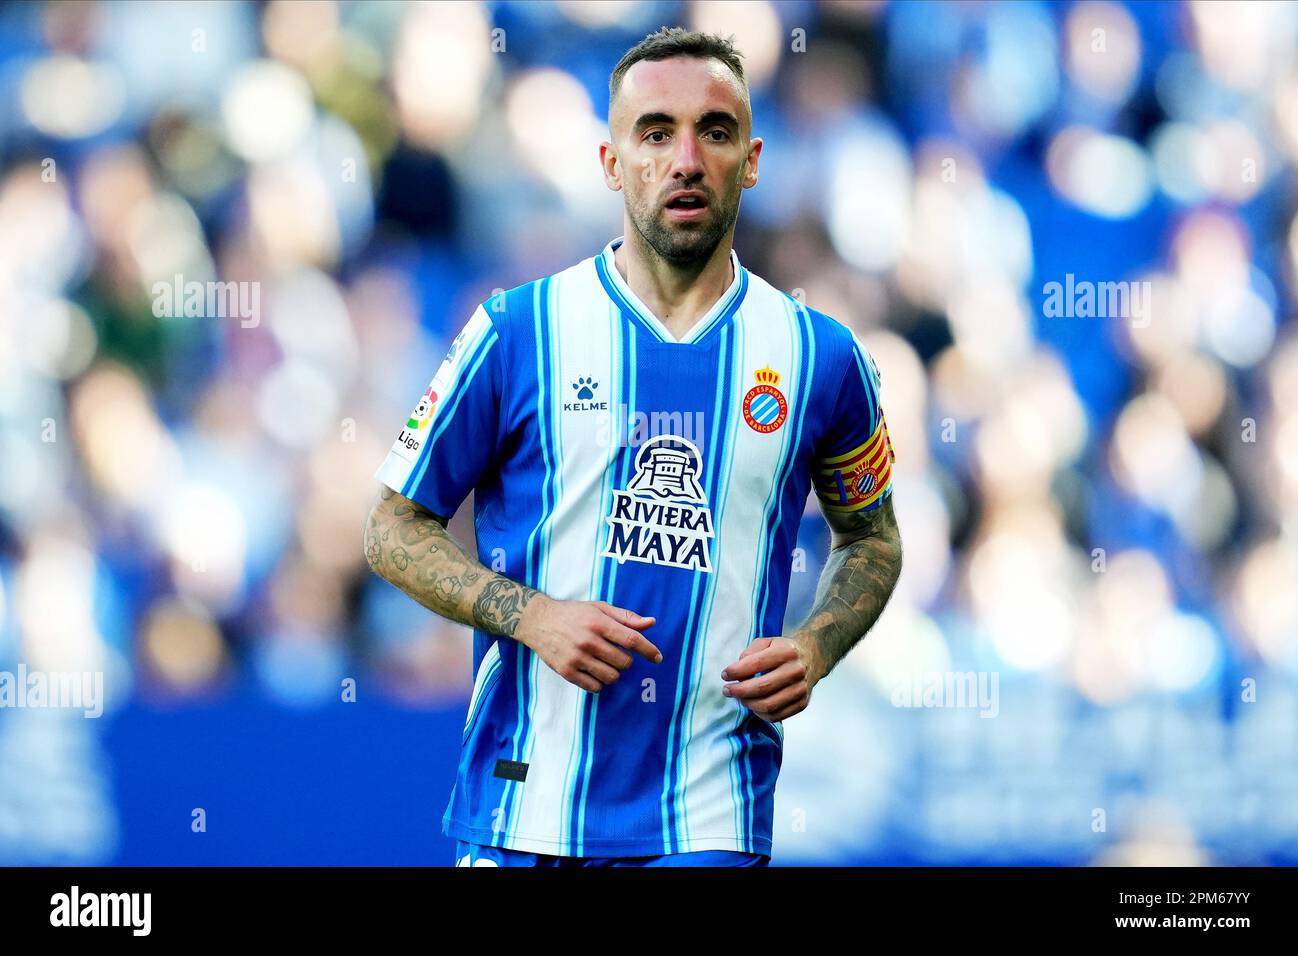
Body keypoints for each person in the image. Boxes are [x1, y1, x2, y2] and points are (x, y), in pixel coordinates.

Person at [364, 27, 902, 867]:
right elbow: (393, 527)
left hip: (708, 815)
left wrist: (817, 644)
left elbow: (873, 536)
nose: (685, 158)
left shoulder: (822, 359)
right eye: (655, 133)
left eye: (713, 132)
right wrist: (531, 614)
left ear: (752, 159)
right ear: (613, 161)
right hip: (521, 805)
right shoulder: (518, 330)